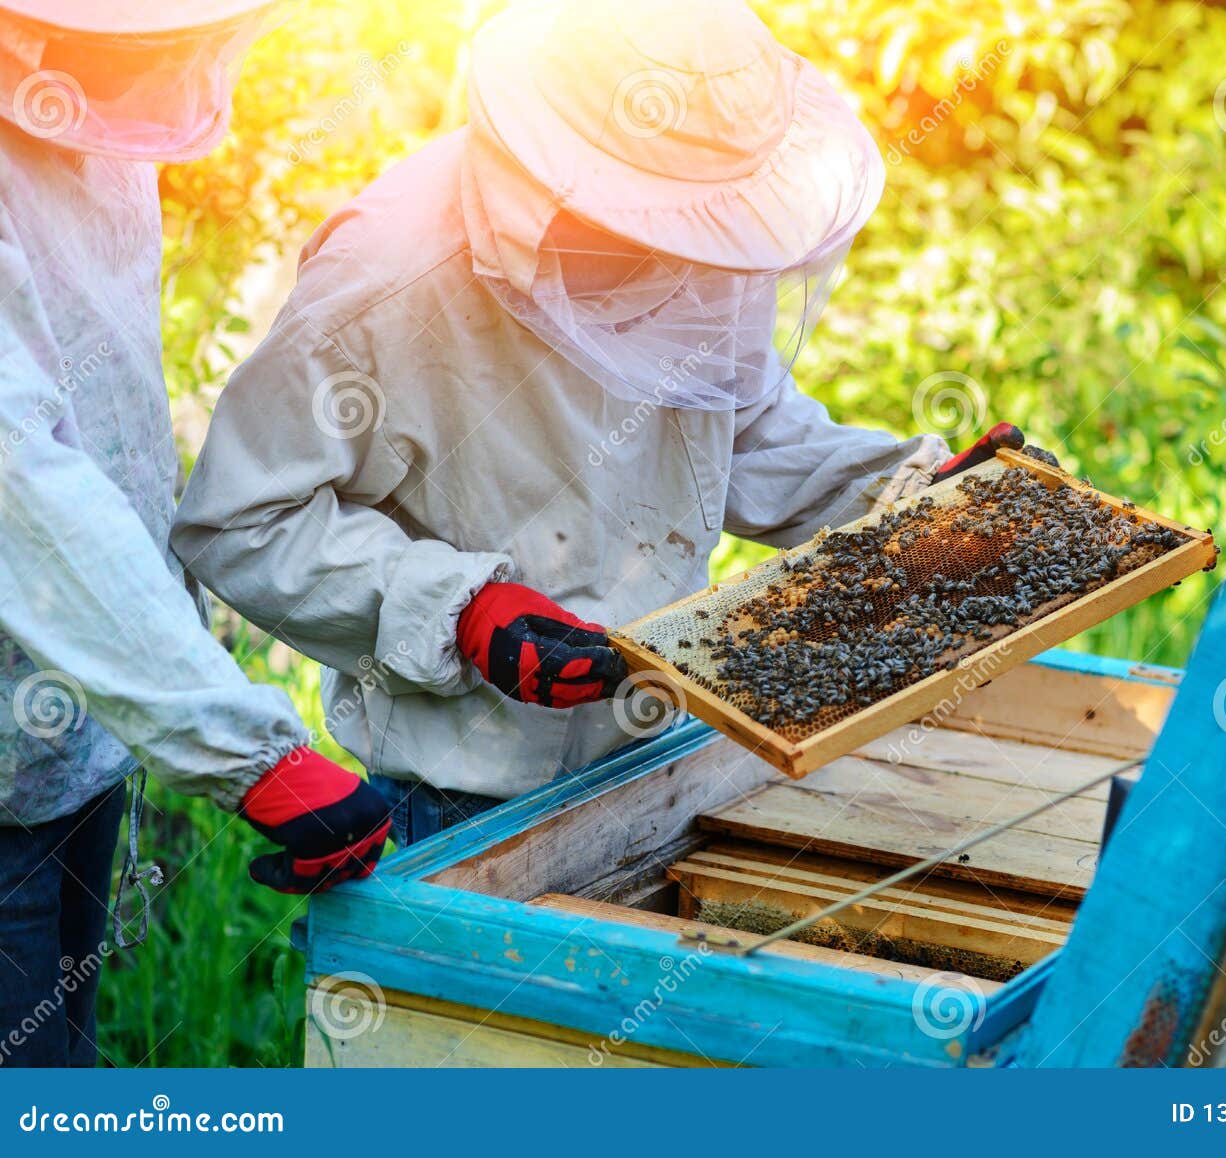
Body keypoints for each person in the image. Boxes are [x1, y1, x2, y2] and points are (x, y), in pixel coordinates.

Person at [170, 0, 1046, 848]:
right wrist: (457, 606)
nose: (686, 256)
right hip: (464, 794)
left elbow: (734, 434)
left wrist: (907, 497)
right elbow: (240, 521)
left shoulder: (707, 225)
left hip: (664, 749)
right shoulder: (387, 280)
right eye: (657, 225)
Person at [0, 0, 390, 1067]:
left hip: (76, 722)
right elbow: (15, 480)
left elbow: (94, 407)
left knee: (56, 1063)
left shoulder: (83, 122)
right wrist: (245, 749)